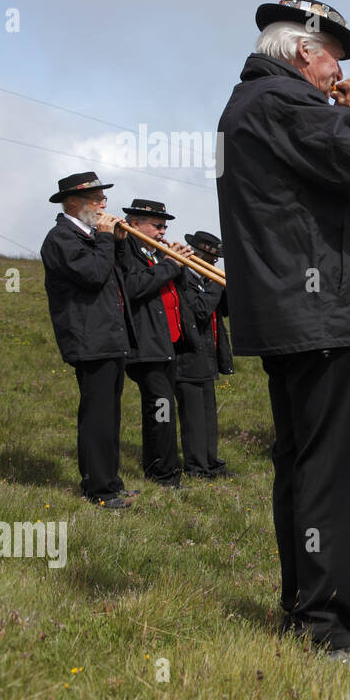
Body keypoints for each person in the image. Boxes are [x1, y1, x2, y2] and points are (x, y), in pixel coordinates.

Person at [216, 0, 350, 662]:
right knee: (330, 474)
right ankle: (326, 628)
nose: (336, 75)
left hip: (290, 312)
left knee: (300, 466)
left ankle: (302, 610)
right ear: (302, 52)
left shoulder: (247, 107)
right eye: (333, 62)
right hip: (318, 313)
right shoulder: (280, 104)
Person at [40, 172, 136, 509]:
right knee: (96, 415)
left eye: (103, 198)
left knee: (110, 415)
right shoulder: (61, 238)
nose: (104, 204)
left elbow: (120, 279)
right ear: (73, 202)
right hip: (88, 339)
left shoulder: (93, 237)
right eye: (97, 199)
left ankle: (110, 481)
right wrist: (108, 238)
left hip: (108, 336)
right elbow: (94, 275)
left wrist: (120, 242)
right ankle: (98, 490)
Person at [117, 198, 197, 488]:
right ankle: (164, 474)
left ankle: (162, 467)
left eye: (164, 227)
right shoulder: (126, 249)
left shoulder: (154, 255)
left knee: (164, 408)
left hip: (166, 345)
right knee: (160, 407)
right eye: (157, 226)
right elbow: (133, 288)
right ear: (135, 223)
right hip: (145, 347)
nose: (163, 232)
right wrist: (169, 264)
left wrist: (182, 264)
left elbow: (180, 293)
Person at [175, 230, 233, 479]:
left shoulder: (208, 281)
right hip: (187, 356)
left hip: (208, 355)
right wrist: (216, 285)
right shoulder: (183, 277)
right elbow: (199, 310)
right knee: (193, 417)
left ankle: (210, 461)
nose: (211, 265)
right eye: (208, 260)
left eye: (214, 262)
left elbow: (226, 310)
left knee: (208, 414)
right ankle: (196, 466)